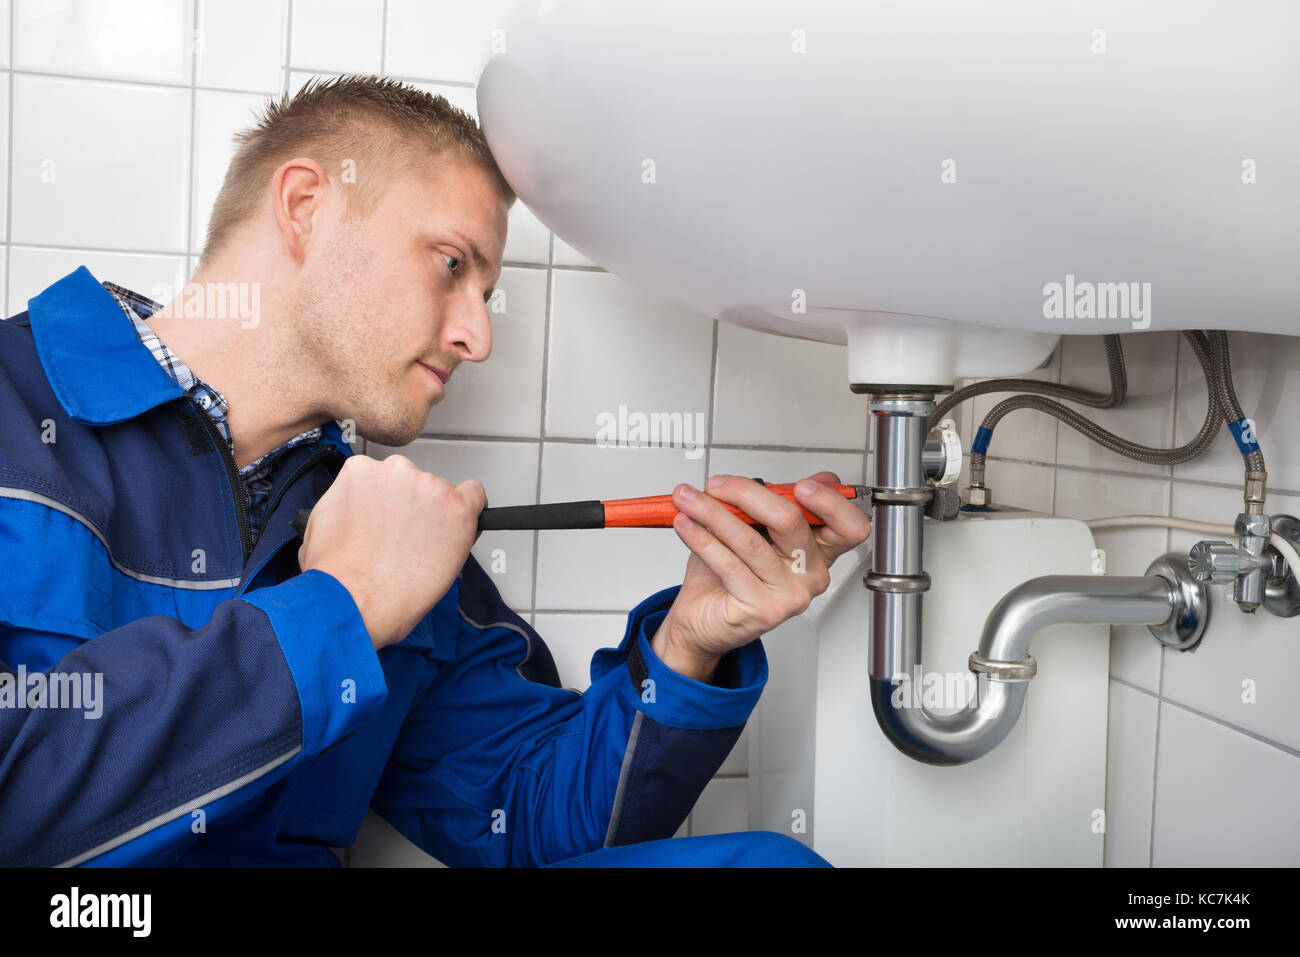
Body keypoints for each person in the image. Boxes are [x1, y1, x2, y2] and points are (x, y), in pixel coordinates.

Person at [0, 75, 870, 867]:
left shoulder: (381, 524)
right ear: (305, 207)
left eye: (485, 294)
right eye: (451, 265)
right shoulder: (13, 408)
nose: (478, 337)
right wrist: (338, 608)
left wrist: (688, 645)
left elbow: (529, 815)